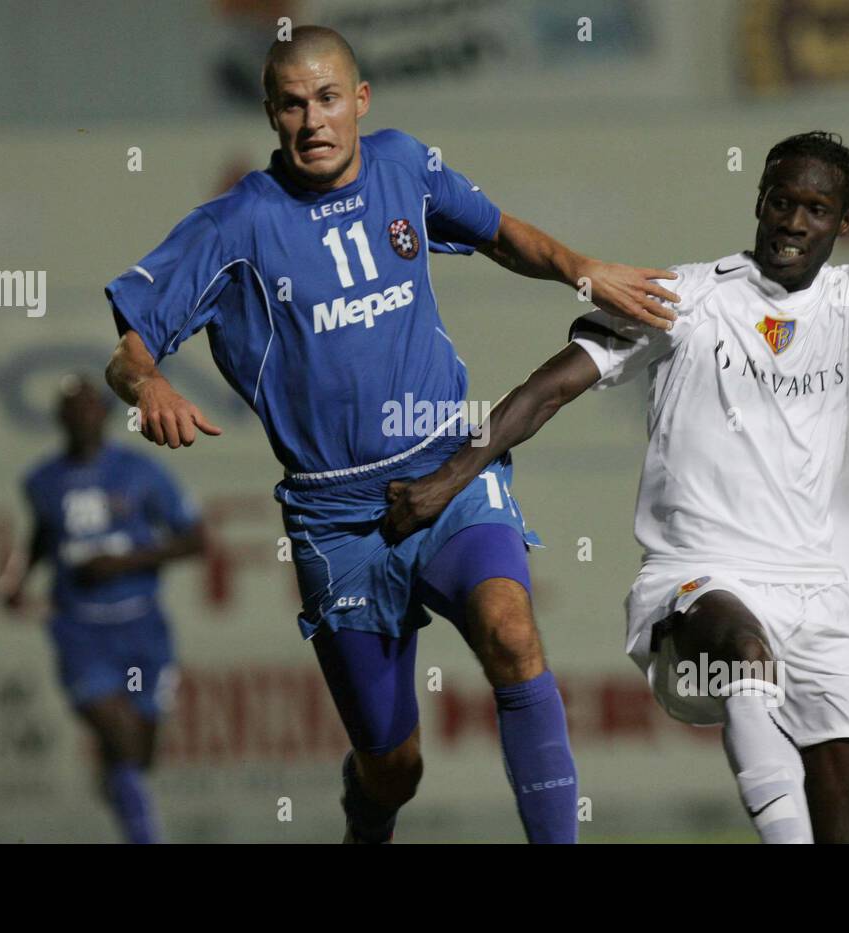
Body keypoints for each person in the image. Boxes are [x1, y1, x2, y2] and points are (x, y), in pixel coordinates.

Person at [381, 132, 849, 843]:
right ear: (760, 200)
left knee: (841, 824)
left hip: (826, 597)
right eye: (782, 201)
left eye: (817, 209)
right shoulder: (685, 299)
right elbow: (547, 390)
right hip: (699, 579)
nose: (794, 222)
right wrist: (448, 479)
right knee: (744, 650)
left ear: (842, 222)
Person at [102, 25, 679, 843]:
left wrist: (586, 269)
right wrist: (150, 382)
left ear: (361, 101)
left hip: (448, 463)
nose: (314, 121)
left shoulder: (404, 163)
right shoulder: (233, 225)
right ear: (271, 113)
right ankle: (365, 823)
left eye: (329, 99)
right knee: (392, 764)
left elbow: (501, 233)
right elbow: (126, 353)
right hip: (338, 521)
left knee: (511, 632)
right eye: (294, 105)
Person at [0, 375, 205, 843]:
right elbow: (41, 536)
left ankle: (120, 786)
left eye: (91, 407)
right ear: (60, 419)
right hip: (79, 629)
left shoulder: (141, 473)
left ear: (107, 415)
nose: (83, 416)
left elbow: (195, 540)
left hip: (143, 626)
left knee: (140, 753)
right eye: (72, 408)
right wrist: (17, 579)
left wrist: (127, 560)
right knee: (120, 737)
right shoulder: (42, 481)